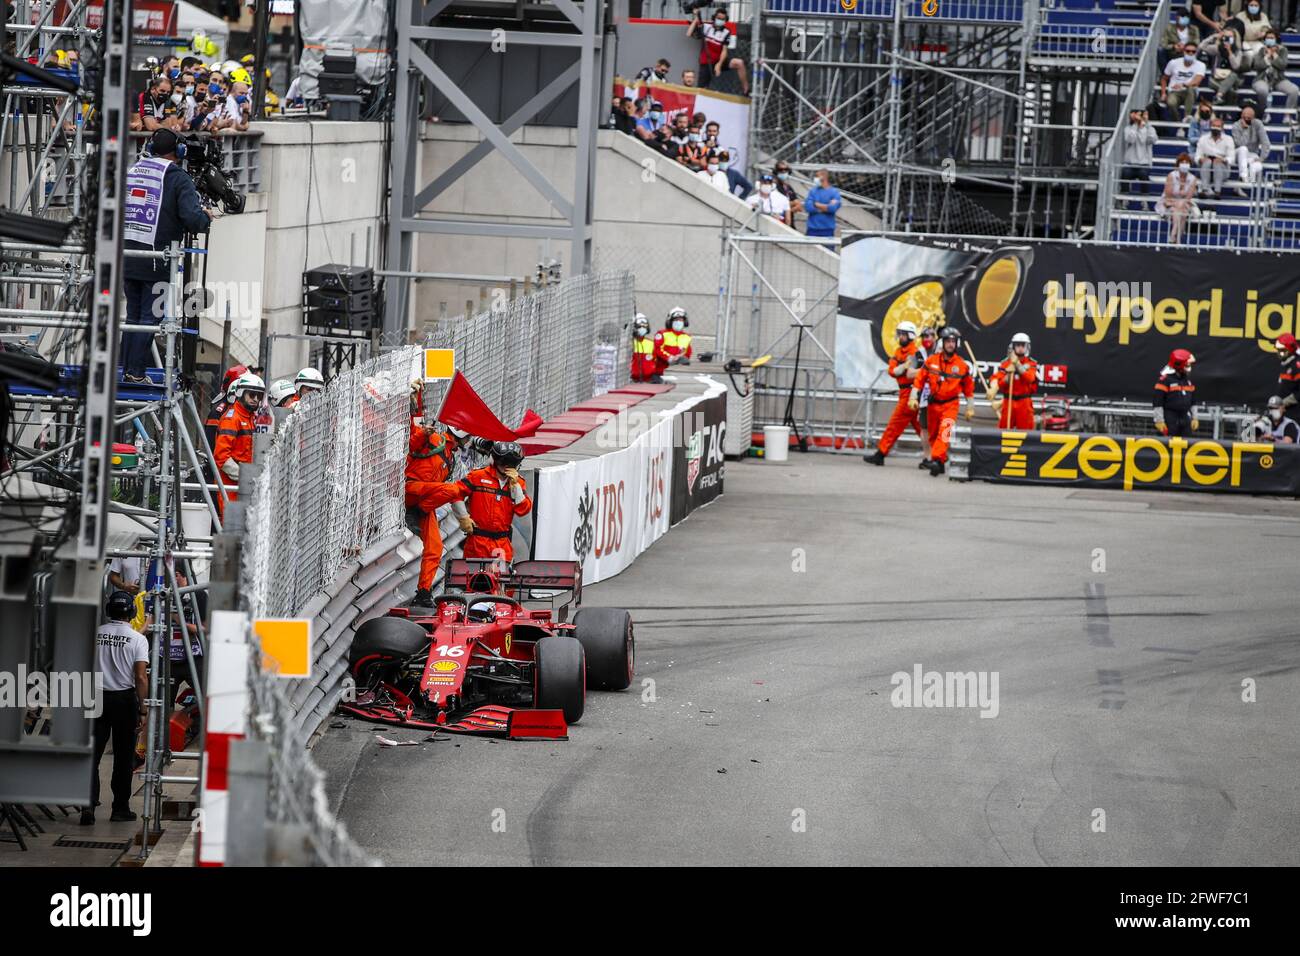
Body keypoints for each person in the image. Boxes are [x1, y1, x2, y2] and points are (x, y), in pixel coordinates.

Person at [121, 129, 211, 385]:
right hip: (156, 259)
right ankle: (135, 373)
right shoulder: (177, 177)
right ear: (179, 152)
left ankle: (125, 367)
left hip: (128, 255)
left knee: (134, 316)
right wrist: (205, 217)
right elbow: (193, 219)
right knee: (149, 318)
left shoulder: (134, 169)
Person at [405, 383, 476, 606]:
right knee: (456, 488)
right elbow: (413, 439)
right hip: (412, 490)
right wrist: (416, 403)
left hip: (425, 501)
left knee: (435, 546)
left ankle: (423, 593)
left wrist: (463, 518)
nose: (468, 443)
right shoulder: (436, 440)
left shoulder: (450, 456)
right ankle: (419, 510)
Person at [85, 591, 149, 826]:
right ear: (131, 613)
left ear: (108, 610)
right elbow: (140, 677)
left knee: (92, 755)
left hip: (95, 698)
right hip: (124, 701)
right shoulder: (137, 639)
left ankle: (87, 806)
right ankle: (120, 808)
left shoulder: (96, 634)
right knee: (123, 756)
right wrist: (143, 709)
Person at [445, 442, 533, 565]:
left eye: (511, 463)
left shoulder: (518, 482)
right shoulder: (477, 476)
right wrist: (463, 517)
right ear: (496, 461)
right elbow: (455, 494)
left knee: (498, 581)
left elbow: (523, 510)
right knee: (474, 581)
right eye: (504, 462)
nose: (507, 466)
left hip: (501, 545)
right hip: (476, 543)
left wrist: (515, 487)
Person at [909, 327, 974, 476]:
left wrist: (970, 407)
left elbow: (968, 389)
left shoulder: (962, 366)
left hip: (951, 405)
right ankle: (940, 462)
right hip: (933, 404)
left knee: (944, 433)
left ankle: (937, 460)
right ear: (942, 343)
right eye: (948, 341)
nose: (951, 344)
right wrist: (913, 396)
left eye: (953, 341)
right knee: (932, 435)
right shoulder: (931, 362)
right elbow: (919, 380)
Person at [864, 321, 922, 465]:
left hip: (910, 394)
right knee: (922, 427)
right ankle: (937, 455)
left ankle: (881, 453)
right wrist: (902, 367)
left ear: (910, 335)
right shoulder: (899, 352)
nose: (900, 337)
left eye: (902, 334)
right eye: (899, 334)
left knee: (894, 425)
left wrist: (901, 369)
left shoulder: (914, 353)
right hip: (905, 393)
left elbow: (911, 374)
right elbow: (892, 371)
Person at [213, 372, 263, 515]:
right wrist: (245, 476)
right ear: (241, 393)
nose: (255, 399)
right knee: (232, 528)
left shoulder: (250, 417)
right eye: (252, 394)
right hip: (231, 486)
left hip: (244, 485)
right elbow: (221, 457)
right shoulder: (232, 418)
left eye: (259, 396)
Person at [690, 7, 749, 95]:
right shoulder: (706, 27)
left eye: (723, 19)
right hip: (706, 62)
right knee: (702, 89)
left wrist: (719, 65)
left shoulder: (726, 32)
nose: (720, 20)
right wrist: (696, 18)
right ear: (714, 18)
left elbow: (724, 50)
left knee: (739, 63)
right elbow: (689, 33)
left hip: (719, 60)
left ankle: (746, 90)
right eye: (718, 18)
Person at [989, 332, 1039, 429]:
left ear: (1027, 347)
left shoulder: (1031, 363)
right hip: (1008, 402)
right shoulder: (1005, 364)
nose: (1020, 347)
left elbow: (1030, 378)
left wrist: (1017, 365)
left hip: (1024, 403)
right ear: (1013, 346)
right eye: (1018, 345)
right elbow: (999, 382)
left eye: (1023, 345)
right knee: (1004, 431)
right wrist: (1003, 380)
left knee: (1026, 434)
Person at [1251, 30, 1298, 122]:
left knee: (1294, 90)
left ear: (1276, 39)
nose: (1269, 40)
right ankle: (1265, 113)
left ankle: (1287, 116)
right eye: (1268, 38)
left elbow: (1282, 65)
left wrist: (1274, 54)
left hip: (1278, 80)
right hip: (1262, 79)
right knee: (1262, 90)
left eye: (1272, 38)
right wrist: (1267, 56)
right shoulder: (1261, 50)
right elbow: (1257, 66)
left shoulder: (1283, 50)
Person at [1155, 153, 1200, 244]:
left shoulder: (1193, 178)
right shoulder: (1171, 175)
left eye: (1187, 162)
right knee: (1181, 211)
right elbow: (1168, 194)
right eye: (1182, 162)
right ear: (1178, 164)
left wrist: (1181, 202)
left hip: (1184, 204)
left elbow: (1189, 197)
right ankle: (1177, 240)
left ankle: (1173, 235)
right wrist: (1179, 200)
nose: (1184, 164)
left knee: (1181, 210)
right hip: (1168, 202)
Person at [1153, 348, 1198, 436]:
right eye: (1187, 365)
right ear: (1179, 365)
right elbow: (1158, 402)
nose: (1189, 368)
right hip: (1169, 419)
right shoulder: (1164, 380)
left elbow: (1193, 401)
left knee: (1187, 446)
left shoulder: (1188, 381)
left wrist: (1194, 418)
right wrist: (1159, 421)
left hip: (1185, 418)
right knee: (1167, 447)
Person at [1160, 41, 1207, 121]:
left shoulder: (1201, 65)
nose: (1190, 53)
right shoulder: (1173, 63)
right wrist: (1163, 93)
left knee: (1191, 89)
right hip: (1174, 91)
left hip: (1191, 91)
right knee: (1171, 103)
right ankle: (1178, 122)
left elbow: (1197, 81)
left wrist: (1183, 85)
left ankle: (1187, 117)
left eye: (1193, 51)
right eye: (1188, 51)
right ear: (1183, 51)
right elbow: (1164, 79)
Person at [1121, 108, 1158, 206]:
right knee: (1125, 174)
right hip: (1130, 163)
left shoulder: (1150, 128)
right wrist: (1135, 125)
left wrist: (1146, 124)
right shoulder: (1128, 128)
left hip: (1144, 163)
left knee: (1144, 175)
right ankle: (1124, 199)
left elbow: (1152, 140)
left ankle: (1144, 200)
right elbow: (1130, 139)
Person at [915, 325, 938, 462]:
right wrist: (926, 371)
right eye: (923, 336)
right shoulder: (919, 353)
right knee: (924, 427)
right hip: (924, 395)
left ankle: (940, 455)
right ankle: (927, 456)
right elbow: (911, 372)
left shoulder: (942, 352)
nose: (926, 339)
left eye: (928, 336)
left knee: (943, 426)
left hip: (943, 395)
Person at [1232, 103, 1269, 190]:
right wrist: (1245, 129)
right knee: (1243, 149)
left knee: (1257, 166)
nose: (1246, 119)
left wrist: (1262, 158)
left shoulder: (1258, 124)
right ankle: (1243, 176)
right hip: (1238, 153)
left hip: (1252, 154)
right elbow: (1240, 143)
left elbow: (1265, 142)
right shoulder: (1236, 126)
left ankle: (1250, 184)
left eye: (1249, 118)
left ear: (1253, 117)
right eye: (1244, 117)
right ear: (1241, 116)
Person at [1195, 116, 1233, 198]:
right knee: (1207, 162)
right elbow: (1197, 156)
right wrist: (1201, 159)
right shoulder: (1203, 139)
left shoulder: (1228, 139)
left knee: (1217, 163)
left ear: (1222, 128)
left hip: (1222, 169)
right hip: (1205, 167)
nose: (1215, 128)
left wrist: (1223, 160)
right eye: (1214, 125)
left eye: (1218, 126)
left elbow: (1231, 158)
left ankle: (1217, 191)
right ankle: (1204, 190)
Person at [654, 307, 693, 376]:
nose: (679, 322)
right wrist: (669, 358)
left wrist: (682, 358)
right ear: (670, 321)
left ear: (685, 322)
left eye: (681, 320)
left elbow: (687, 353)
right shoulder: (662, 334)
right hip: (661, 369)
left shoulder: (687, 337)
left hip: (678, 370)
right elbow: (657, 349)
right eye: (676, 320)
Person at [803, 169, 842, 238]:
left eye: (817, 176)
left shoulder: (834, 192)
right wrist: (826, 207)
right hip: (812, 229)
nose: (815, 178)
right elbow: (808, 207)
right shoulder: (813, 191)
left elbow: (832, 208)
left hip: (827, 229)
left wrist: (816, 204)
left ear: (824, 176)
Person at [1274, 332, 1300, 421]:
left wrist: (1284, 403)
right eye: (1278, 350)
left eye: (1282, 350)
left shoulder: (1297, 366)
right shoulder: (1285, 364)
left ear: (1290, 349)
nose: (1279, 353)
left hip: (1295, 415)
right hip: (1284, 413)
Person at [630, 314, 659, 383]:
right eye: (639, 326)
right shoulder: (629, 343)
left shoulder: (651, 343)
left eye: (644, 326)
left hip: (649, 380)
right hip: (632, 380)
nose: (642, 328)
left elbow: (656, 361)